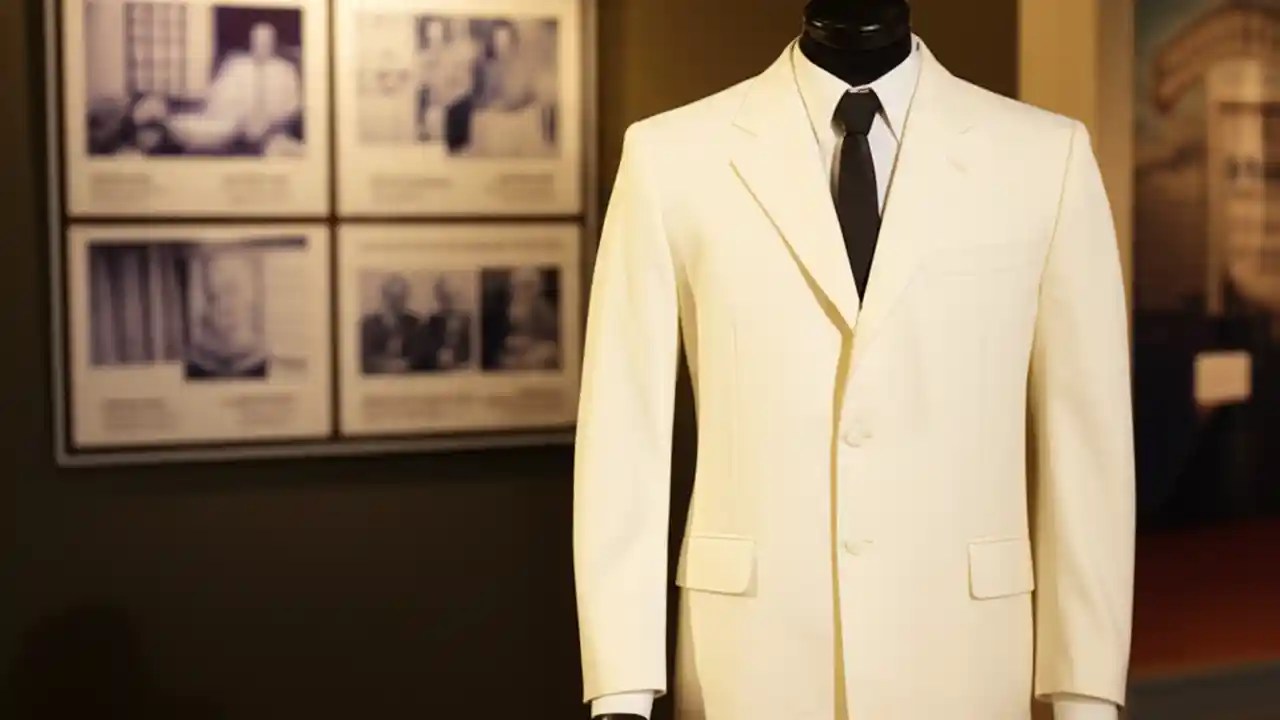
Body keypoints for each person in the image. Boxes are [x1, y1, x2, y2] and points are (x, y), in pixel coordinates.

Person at [203, 21, 302, 150]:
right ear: (251, 41)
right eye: (257, 40)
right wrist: (238, 118)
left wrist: (271, 122)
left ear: (274, 43)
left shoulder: (286, 70)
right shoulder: (235, 66)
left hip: (275, 134)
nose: (261, 45)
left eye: (266, 41)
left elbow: (294, 104)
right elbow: (217, 97)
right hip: (234, 134)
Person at [186, 251, 268, 380]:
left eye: (232, 290)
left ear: (252, 296)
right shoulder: (195, 365)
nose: (223, 303)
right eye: (213, 295)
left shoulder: (270, 364)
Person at [409, 276, 473, 371]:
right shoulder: (429, 323)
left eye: (448, 296)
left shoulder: (470, 323)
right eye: (441, 297)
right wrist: (436, 360)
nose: (445, 302)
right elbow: (420, 359)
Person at [360, 275, 419, 375]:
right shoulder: (369, 325)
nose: (399, 303)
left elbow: (422, 356)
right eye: (394, 298)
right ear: (384, 296)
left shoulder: (414, 323)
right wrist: (384, 365)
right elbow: (363, 359)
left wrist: (407, 364)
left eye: (402, 298)